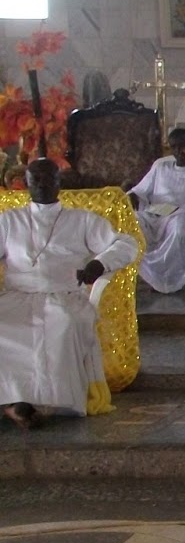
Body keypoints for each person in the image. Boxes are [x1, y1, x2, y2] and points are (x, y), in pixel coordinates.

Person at [0, 159, 138, 429]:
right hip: (17, 295)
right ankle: (13, 400)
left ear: (58, 182)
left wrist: (99, 264)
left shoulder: (81, 220)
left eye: (47, 179)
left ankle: (46, 403)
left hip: (63, 296)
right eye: (34, 180)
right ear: (26, 184)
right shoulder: (9, 221)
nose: (41, 185)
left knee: (61, 326)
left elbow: (126, 243)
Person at [125, 127, 185, 292]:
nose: (179, 151)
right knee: (130, 225)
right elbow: (139, 189)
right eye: (174, 147)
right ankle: (151, 276)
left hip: (181, 214)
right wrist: (132, 194)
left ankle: (170, 281)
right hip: (155, 213)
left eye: (183, 146)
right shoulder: (161, 167)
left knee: (180, 230)